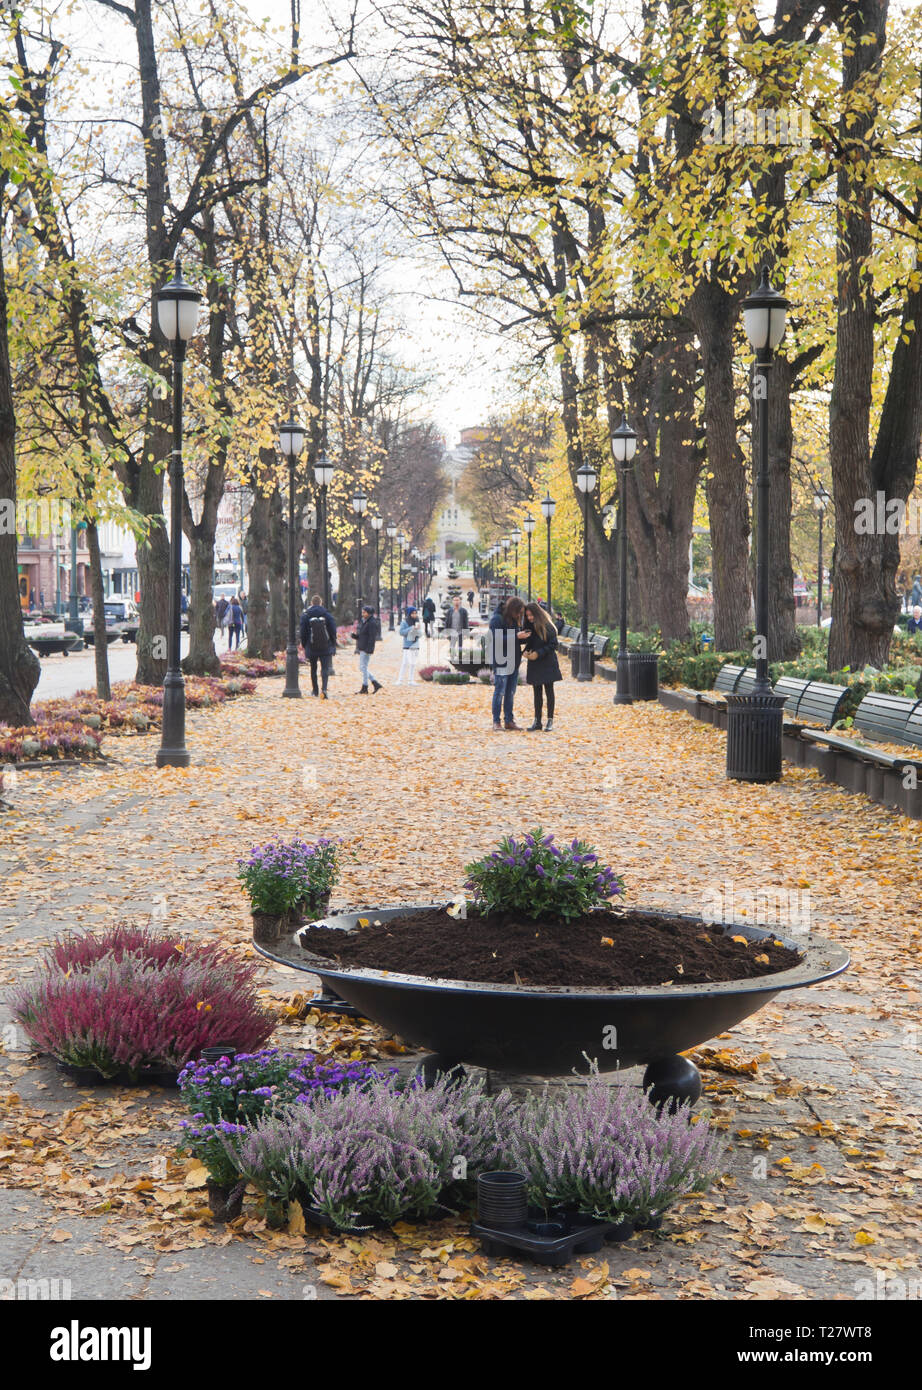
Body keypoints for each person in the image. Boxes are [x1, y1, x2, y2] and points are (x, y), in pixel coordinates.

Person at [522, 601, 563, 731]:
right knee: (537, 692)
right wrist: (526, 651)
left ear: (537, 613)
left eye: (531, 615)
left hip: (547, 662)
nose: (529, 618)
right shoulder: (530, 626)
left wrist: (538, 653)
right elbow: (531, 642)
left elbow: (553, 645)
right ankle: (537, 720)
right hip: (535, 663)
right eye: (527, 615)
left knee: (549, 691)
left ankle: (550, 720)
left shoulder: (548, 626)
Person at [488, 595, 525, 731]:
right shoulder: (497, 619)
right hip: (501, 661)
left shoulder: (513, 619)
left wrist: (524, 637)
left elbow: (513, 640)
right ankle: (496, 721)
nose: (519, 615)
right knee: (500, 692)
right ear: (512, 609)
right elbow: (496, 639)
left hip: (513, 661)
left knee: (510, 692)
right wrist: (516, 636)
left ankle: (509, 720)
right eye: (519, 612)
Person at [300, 592, 337, 698]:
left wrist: (304, 644)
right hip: (325, 645)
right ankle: (324, 689)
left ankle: (315, 690)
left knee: (313, 668)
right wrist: (333, 643)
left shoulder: (306, 615)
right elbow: (333, 630)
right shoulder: (327, 614)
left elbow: (303, 632)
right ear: (321, 603)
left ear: (311, 603)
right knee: (325, 668)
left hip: (311, 646)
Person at [354, 604, 383, 693]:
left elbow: (371, 637)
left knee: (363, 667)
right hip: (363, 646)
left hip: (366, 648)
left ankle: (367, 686)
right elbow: (363, 635)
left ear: (369, 613)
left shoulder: (371, 623)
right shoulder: (365, 621)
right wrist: (356, 637)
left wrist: (369, 649)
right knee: (363, 667)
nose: (362, 614)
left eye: (364, 612)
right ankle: (373, 684)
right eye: (362, 612)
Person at [396, 605, 421, 685]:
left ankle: (411, 680)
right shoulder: (404, 622)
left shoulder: (417, 621)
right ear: (409, 613)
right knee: (405, 663)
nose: (414, 615)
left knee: (413, 663)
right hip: (407, 645)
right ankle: (400, 680)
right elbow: (401, 632)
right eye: (412, 613)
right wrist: (411, 628)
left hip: (415, 644)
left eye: (415, 613)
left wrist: (417, 630)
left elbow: (420, 634)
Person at [445, 594, 469, 661]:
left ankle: (460, 659)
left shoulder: (463, 611)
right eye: (455, 600)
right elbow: (446, 621)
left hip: (460, 632)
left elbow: (466, 622)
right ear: (452, 601)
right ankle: (452, 659)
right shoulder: (450, 611)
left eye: (457, 600)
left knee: (460, 647)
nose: (456, 601)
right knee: (452, 646)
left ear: (460, 601)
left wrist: (466, 633)